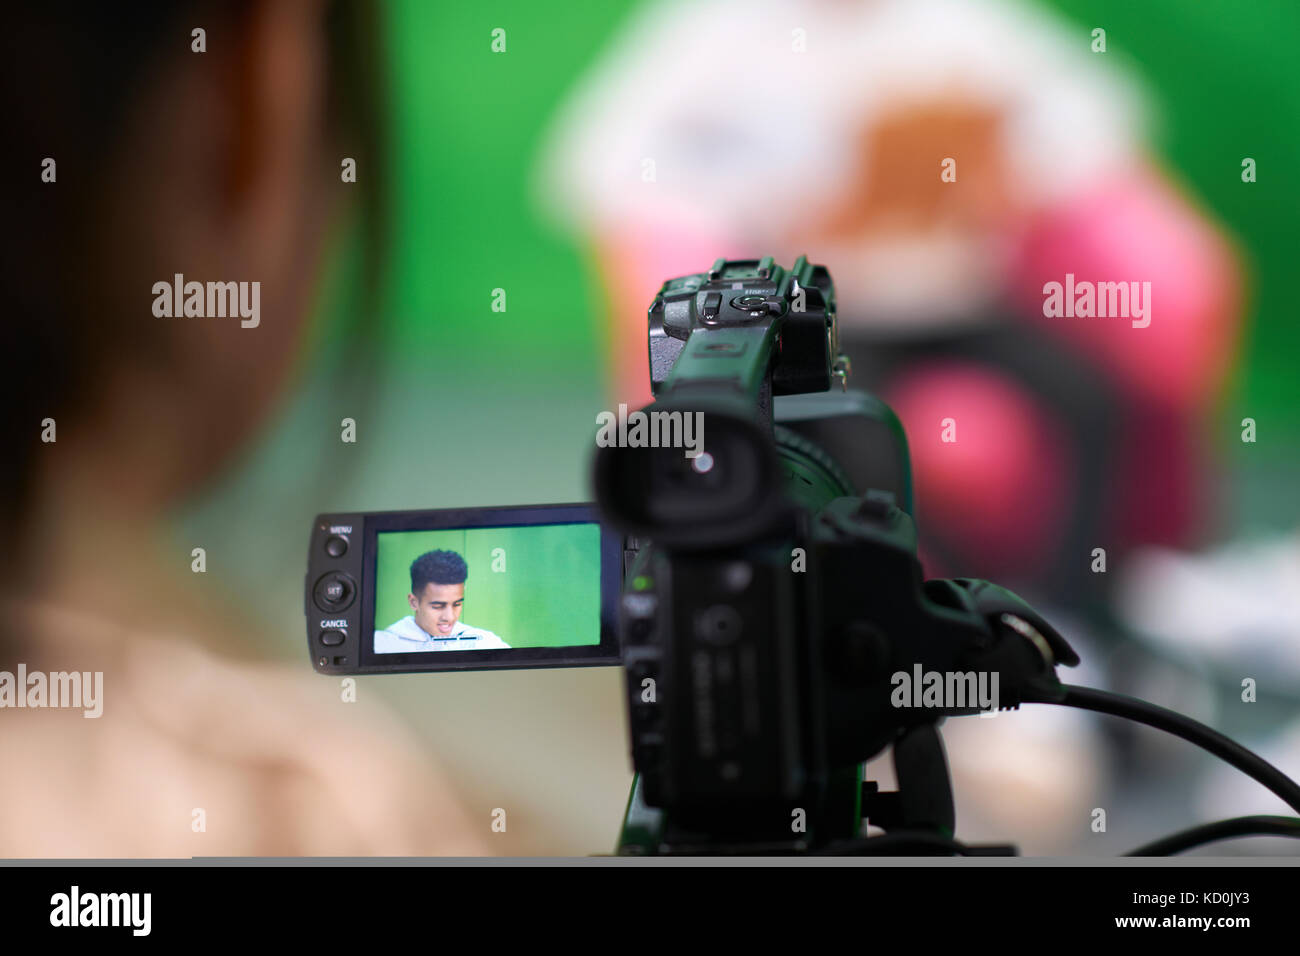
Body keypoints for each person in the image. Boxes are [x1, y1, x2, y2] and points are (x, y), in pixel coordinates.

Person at [376, 551, 509, 652]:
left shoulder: (483, 642)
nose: (450, 617)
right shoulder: (382, 645)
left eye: (457, 604)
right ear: (413, 602)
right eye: (438, 606)